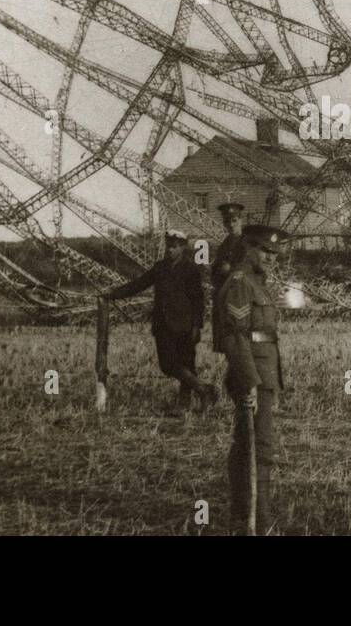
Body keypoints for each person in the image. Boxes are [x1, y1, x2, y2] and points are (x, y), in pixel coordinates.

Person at [221, 224, 289, 533]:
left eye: (275, 253)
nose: (271, 257)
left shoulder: (257, 282)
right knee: (257, 447)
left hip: (264, 373)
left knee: (251, 445)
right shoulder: (240, 282)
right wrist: (248, 381)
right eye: (265, 250)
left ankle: (247, 514)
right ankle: (257, 520)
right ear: (248, 248)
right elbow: (236, 338)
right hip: (253, 377)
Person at [103, 230, 217, 412]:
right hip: (163, 325)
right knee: (167, 365)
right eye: (168, 246)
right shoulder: (160, 267)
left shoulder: (191, 270)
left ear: (182, 248)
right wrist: (114, 294)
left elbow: (198, 301)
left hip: (185, 326)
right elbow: (139, 284)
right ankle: (204, 389)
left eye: (173, 247)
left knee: (187, 364)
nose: (169, 250)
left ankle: (184, 404)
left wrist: (197, 326)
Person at [210, 202, 247, 355]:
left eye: (234, 220)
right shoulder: (225, 244)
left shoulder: (248, 243)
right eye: (227, 221)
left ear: (241, 220)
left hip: (242, 297)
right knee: (228, 344)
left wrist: (230, 270)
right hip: (225, 297)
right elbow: (217, 269)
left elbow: (250, 269)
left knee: (241, 343)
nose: (231, 225)